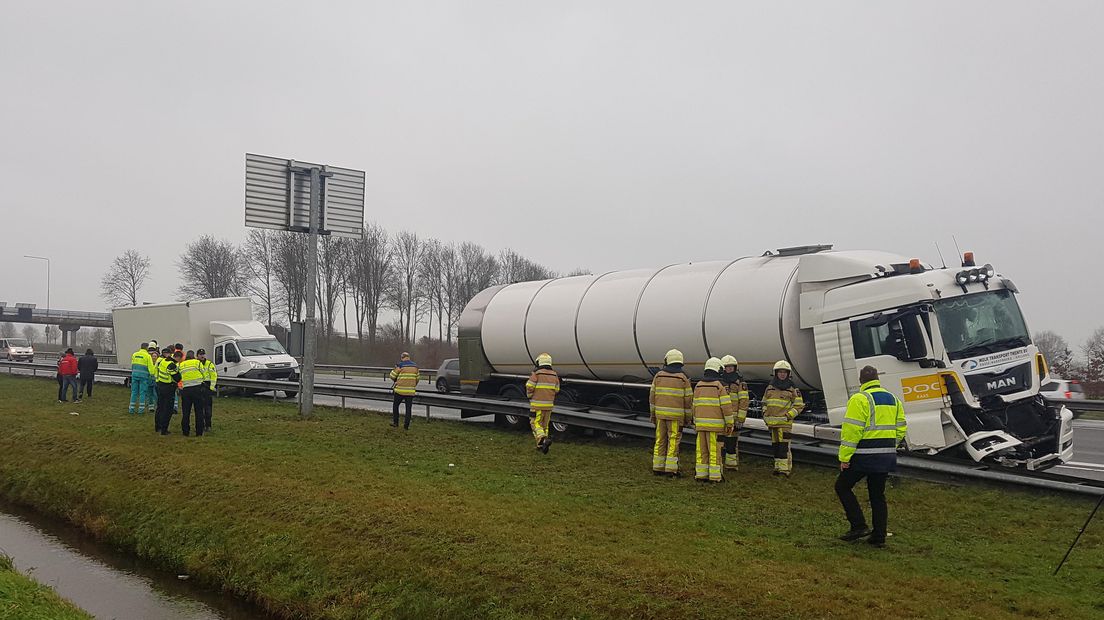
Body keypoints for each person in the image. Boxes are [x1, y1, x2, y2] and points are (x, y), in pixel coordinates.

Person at [836, 366, 907, 547]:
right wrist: (889, 446)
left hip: (863, 456)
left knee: (842, 486)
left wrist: (845, 458)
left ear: (861, 381)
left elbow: (852, 431)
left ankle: (858, 525)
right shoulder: (893, 399)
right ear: (877, 378)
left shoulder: (859, 399)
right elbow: (901, 428)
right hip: (886, 456)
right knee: (877, 495)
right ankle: (879, 536)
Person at [648, 349, 693, 476]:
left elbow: (652, 397)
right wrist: (688, 418)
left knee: (660, 440)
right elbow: (688, 400)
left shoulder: (658, 376)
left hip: (660, 415)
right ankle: (671, 469)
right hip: (676, 417)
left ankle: (658, 467)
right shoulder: (683, 378)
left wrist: (653, 414)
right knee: (673, 441)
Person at [692, 358, 733, 483]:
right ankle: (715, 477)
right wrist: (729, 423)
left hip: (700, 426)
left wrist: (695, 422)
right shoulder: (719, 386)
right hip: (715, 427)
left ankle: (701, 475)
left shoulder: (698, 385)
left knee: (701, 450)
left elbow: (694, 406)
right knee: (714, 451)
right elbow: (726, 407)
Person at [762, 360, 805, 477]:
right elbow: (764, 402)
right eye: (780, 372)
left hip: (784, 424)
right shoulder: (770, 388)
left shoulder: (793, 389)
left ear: (788, 374)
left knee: (784, 447)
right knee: (776, 447)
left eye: (784, 372)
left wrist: (788, 416)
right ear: (775, 373)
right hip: (772, 424)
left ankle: (785, 470)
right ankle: (778, 468)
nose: (782, 374)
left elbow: (799, 405)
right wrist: (765, 414)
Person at [526, 353, 561, 454]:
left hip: (537, 405)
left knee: (535, 423)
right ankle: (541, 446)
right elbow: (557, 389)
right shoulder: (554, 374)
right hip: (549, 406)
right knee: (545, 426)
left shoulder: (536, 374)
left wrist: (530, 396)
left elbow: (529, 386)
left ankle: (543, 439)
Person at [719, 355, 750, 470]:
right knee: (721, 442)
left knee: (731, 443)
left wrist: (740, 419)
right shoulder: (719, 382)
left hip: (734, 419)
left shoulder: (740, 383)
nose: (729, 369)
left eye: (731, 367)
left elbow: (744, 401)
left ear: (735, 368)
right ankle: (720, 463)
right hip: (721, 417)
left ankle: (731, 465)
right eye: (727, 367)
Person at [154, 347, 182, 435]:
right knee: (168, 409)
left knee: (160, 407)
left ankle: (157, 426)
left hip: (160, 385)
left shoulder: (163, 361)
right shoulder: (172, 365)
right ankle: (164, 429)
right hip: (168, 388)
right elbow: (177, 378)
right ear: (178, 358)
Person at [388, 352, 419, 429]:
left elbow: (392, 376)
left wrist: (395, 369)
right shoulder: (415, 366)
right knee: (408, 409)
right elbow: (417, 379)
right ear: (409, 357)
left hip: (399, 391)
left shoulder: (400, 365)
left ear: (402, 357)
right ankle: (406, 426)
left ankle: (396, 423)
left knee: (395, 406)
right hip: (410, 391)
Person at [177, 350, 204, 437]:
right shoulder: (197, 362)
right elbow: (203, 373)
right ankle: (199, 432)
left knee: (186, 412)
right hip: (197, 388)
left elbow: (178, 376)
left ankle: (185, 432)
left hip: (186, 390)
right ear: (194, 356)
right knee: (199, 411)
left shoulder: (181, 364)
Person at [197, 349, 218, 433]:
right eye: (200, 354)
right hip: (198, 386)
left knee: (208, 408)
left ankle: (208, 425)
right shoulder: (196, 364)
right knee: (199, 408)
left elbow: (213, 376)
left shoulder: (209, 364)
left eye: (203, 354)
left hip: (207, 387)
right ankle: (201, 425)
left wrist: (211, 387)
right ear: (197, 355)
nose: (202, 356)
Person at [128, 342, 151, 413]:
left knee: (134, 392)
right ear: (147, 347)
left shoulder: (135, 354)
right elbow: (150, 367)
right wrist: (152, 375)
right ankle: (141, 409)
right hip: (144, 377)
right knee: (142, 392)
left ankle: (131, 409)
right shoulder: (147, 356)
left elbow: (132, 365)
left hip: (135, 375)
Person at [144, 346, 160, 413]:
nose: (153, 357)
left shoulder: (159, 364)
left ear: (157, 357)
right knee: (149, 394)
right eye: (153, 356)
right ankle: (151, 407)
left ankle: (158, 406)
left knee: (156, 394)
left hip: (156, 381)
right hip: (149, 380)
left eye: (155, 356)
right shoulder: (149, 363)